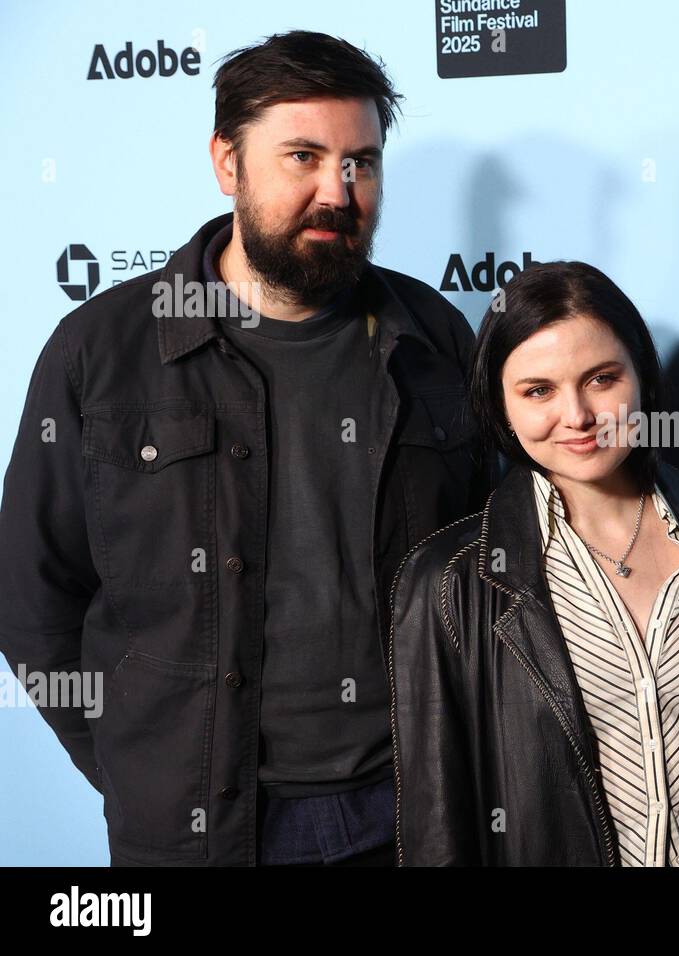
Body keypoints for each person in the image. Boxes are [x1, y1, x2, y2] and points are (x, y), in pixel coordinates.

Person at [0, 31, 492, 866]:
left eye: (362, 162)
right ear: (228, 164)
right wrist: (135, 765)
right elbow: (30, 597)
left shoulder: (434, 337)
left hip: (416, 811)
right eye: (303, 156)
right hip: (204, 829)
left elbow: (494, 558)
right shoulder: (103, 351)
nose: (338, 192)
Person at [388, 260, 679, 865]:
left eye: (602, 380)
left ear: (641, 380)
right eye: (538, 390)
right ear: (500, 405)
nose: (576, 416)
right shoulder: (449, 580)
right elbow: (436, 828)